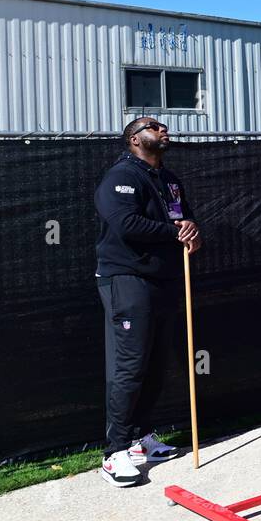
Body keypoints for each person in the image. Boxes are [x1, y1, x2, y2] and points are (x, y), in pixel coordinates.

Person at [94, 117, 201, 486]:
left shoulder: (169, 179)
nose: (164, 130)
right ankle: (115, 452)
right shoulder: (121, 177)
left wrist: (191, 231)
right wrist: (174, 232)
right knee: (130, 364)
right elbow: (126, 225)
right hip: (127, 279)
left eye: (164, 126)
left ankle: (141, 439)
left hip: (164, 279)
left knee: (156, 362)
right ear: (134, 138)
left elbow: (183, 220)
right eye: (154, 126)